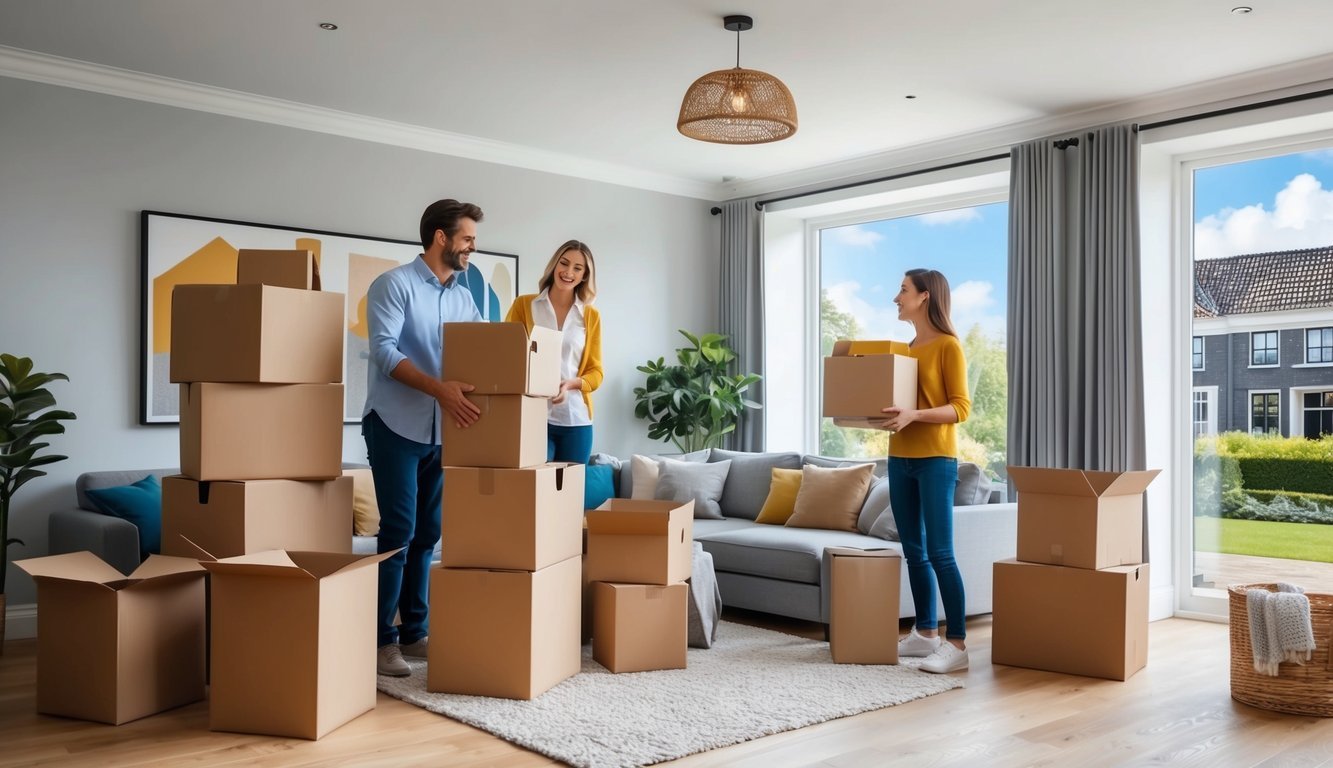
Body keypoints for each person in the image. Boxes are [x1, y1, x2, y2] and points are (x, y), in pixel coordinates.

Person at [364, 198, 485, 677]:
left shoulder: (462, 292)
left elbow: (482, 347)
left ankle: (415, 633)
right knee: (399, 531)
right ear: (441, 237)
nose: (473, 247)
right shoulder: (393, 285)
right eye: (468, 238)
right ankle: (381, 641)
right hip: (395, 424)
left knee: (428, 534)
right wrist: (440, 389)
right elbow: (383, 352)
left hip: (444, 429)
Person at [878, 268, 973, 674]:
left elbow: (961, 408)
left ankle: (957, 644)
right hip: (899, 458)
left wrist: (915, 414)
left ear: (924, 297)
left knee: (940, 553)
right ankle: (925, 632)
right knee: (913, 551)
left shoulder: (948, 346)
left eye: (903, 290)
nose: (896, 297)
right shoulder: (906, 350)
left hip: (936, 460)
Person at [504, 240, 603, 464]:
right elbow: (508, 356)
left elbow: (596, 372)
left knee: (571, 495)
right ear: (554, 265)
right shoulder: (524, 305)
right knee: (532, 490)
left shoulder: (590, 316)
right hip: (533, 418)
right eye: (564, 263)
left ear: (585, 275)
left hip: (575, 420)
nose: (568, 272)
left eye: (578, 268)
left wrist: (569, 385)